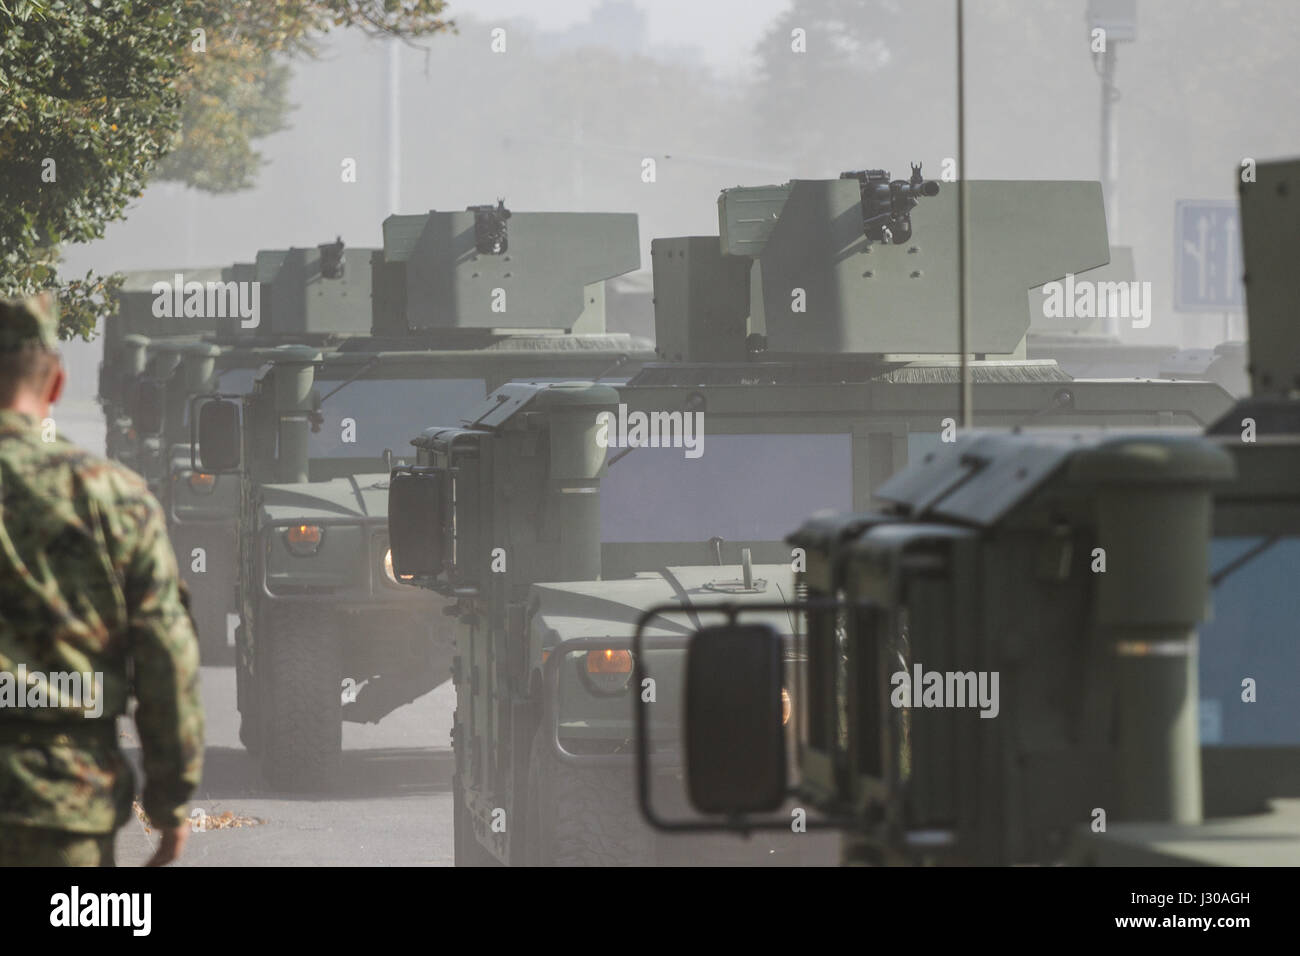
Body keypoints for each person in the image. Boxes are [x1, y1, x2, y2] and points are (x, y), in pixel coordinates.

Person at [0, 293, 203, 866]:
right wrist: (169, 805)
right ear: (58, 382)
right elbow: (166, 658)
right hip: (61, 812)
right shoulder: (113, 498)